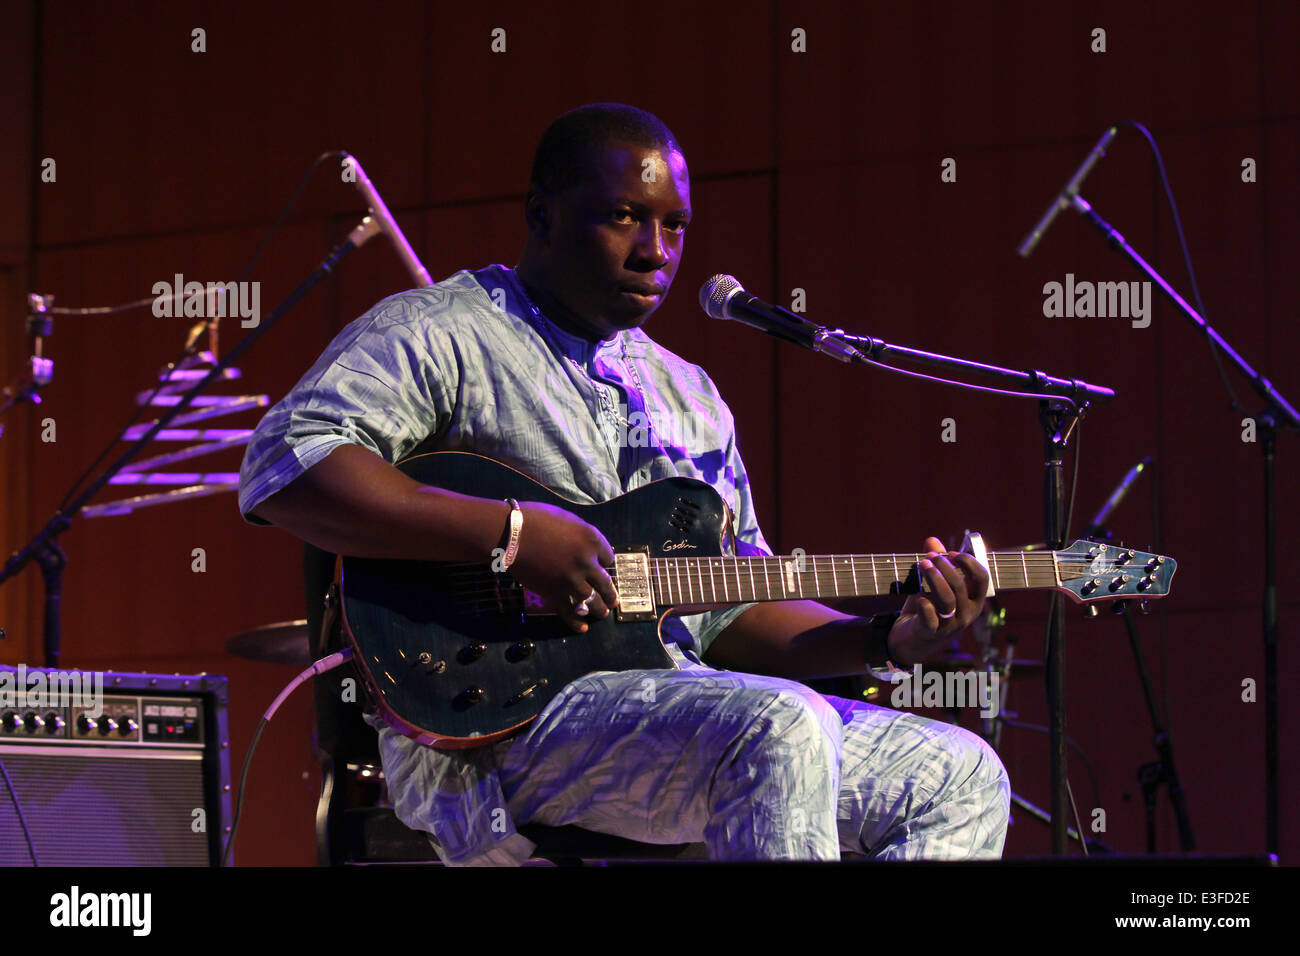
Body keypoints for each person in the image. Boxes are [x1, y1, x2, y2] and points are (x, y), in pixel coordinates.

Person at [237, 102, 1010, 865]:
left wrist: (883, 639)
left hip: (686, 708)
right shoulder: (441, 331)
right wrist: (508, 534)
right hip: (501, 732)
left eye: (675, 226)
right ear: (542, 214)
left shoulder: (691, 396)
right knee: (779, 725)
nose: (655, 250)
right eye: (624, 217)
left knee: (961, 776)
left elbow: (730, 608)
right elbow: (287, 465)